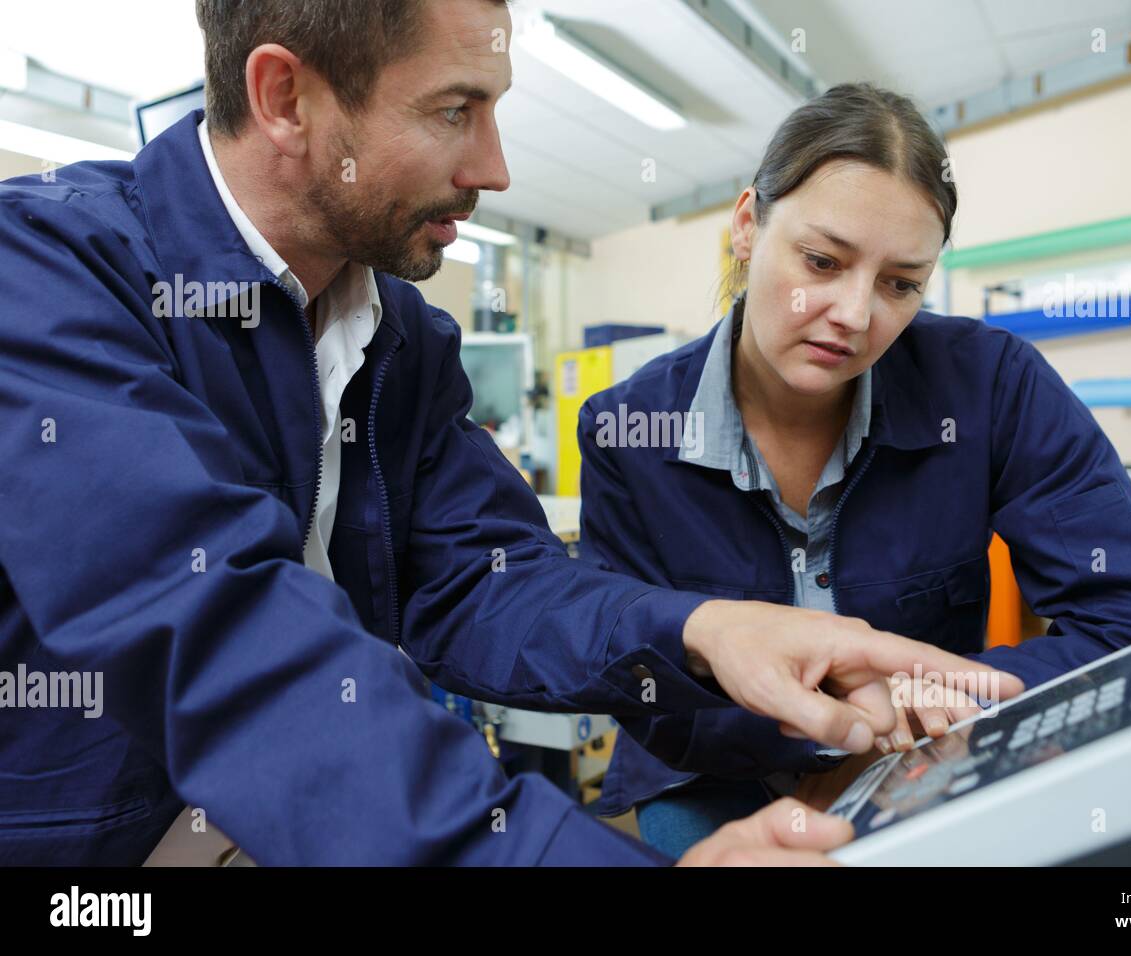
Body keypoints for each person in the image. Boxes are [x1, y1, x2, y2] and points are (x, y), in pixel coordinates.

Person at [0, 1, 1016, 866]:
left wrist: (703, 631)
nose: (493, 166)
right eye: (456, 110)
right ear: (285, 98)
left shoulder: (399, 339)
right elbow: (223, 633)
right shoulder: (45, 273)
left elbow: (490, 578)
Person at [577, 82, 1131, 858]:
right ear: (747, 226)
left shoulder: (990, 385)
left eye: (900, 283)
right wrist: (830, 739)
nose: (855, 313)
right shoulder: (625, 429)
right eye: (821, 260)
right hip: (709, 774)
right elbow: (638, 682)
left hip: (925, 755)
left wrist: (921, 710)